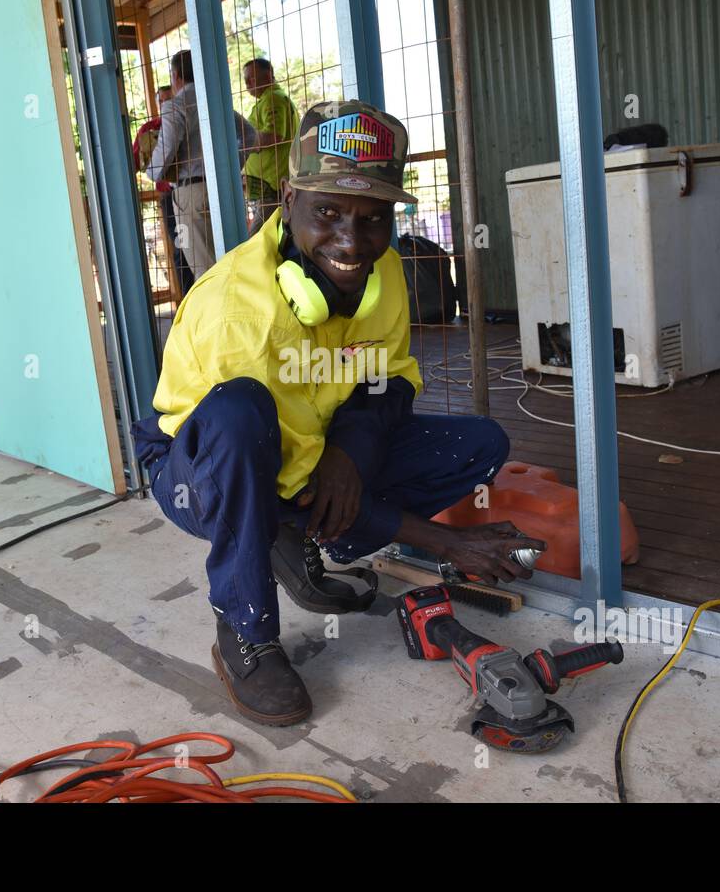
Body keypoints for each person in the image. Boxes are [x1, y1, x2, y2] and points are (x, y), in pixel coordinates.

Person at [133, 101, 543, 727]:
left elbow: (390, 379)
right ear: (289, 199)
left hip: (312, 448)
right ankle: (244, 633)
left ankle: (304, 537)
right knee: (244, 419)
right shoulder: (236, 310)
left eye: (373, 219)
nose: (352, 242)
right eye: (328, 213)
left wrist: (348, 455)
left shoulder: (382, 274)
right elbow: (281, 479)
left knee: (480, 444)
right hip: (200, 471)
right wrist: (441, 540)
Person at [146, 50, 258, 283]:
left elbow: (165, 151)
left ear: (176, 76)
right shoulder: (214, 102)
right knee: (235, 261)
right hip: (226, 189)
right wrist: (231, 167)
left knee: (206, 272)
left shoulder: (175, 106)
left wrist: (151, 172)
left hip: (192, 193)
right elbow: (249, 135)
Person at [132, 84, 194, 294]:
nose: (166, 103)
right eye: (162, 101)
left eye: (170, 99)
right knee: (180, 248)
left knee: (199, 246)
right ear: (158, 104)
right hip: (169, 197)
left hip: (190, 189)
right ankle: (188, 299)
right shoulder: (148, 129)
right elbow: (134, 161)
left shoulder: (184, 119)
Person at [241, 58, 299, 234]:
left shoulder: (273, 98)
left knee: (258, 239)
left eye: (251, 78)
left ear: (267, 76)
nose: (246, 83)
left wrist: (242, 141)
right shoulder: (269, 99)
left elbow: (274, 135)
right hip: (268, 185)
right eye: (245, 79)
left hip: (272, 187)